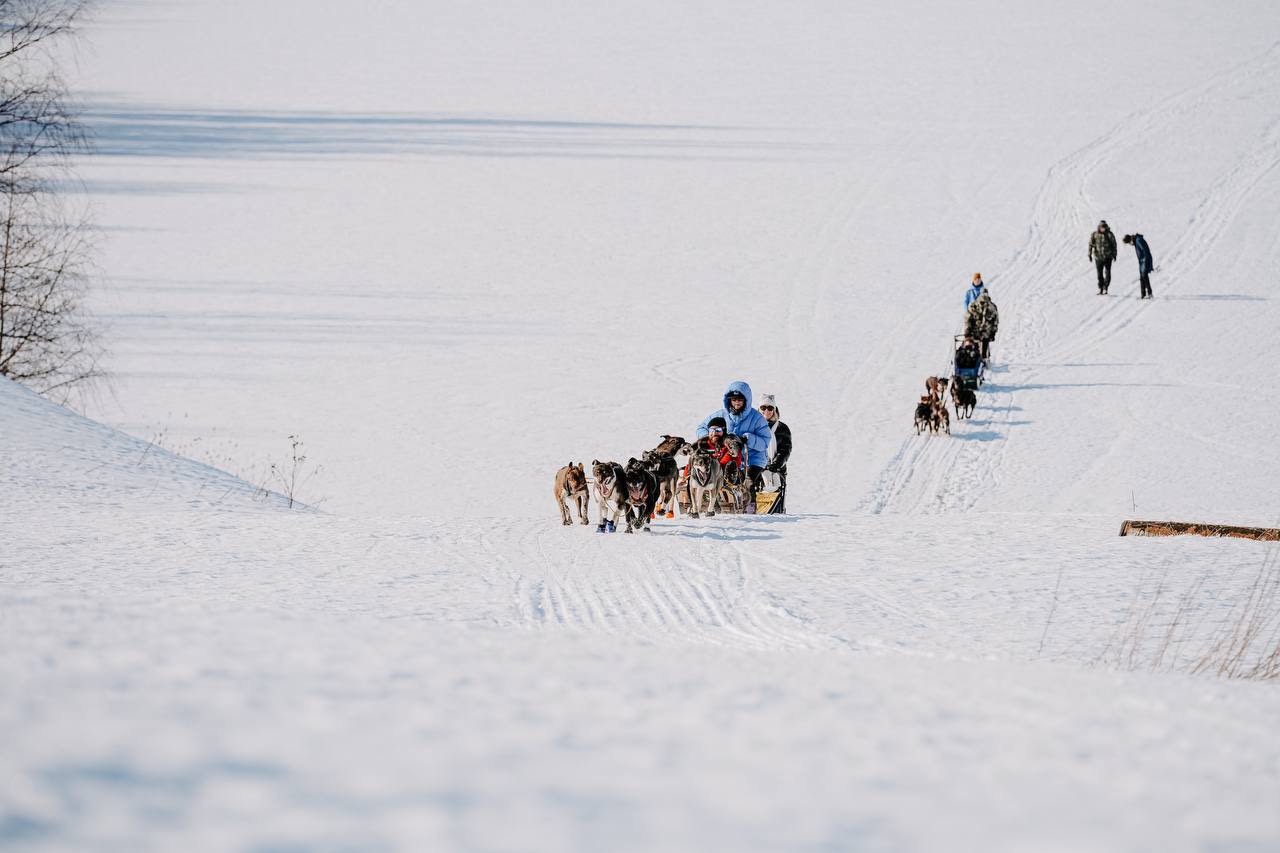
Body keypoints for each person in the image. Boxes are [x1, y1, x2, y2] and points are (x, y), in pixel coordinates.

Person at [696, 381, 773, 499]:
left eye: (740, 400)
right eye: (734, 399)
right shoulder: (721, 415)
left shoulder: (757, 418)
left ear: (746, 401)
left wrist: (749, 439)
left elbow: (765, 440)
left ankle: (750, 508)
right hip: (726, 455)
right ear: (729, 400)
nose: (737, 402)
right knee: (716, 475)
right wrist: (712, 436)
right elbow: (701, 428)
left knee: (748, 482)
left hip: (752, 458)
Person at [758, 394, 791, 514]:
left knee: (776, 481)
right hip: (758, 465)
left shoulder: (782, 428)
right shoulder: (754, 427)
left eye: (770, 408)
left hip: (777, 466)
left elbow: (785, 449)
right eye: (763, 408)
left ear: (775, 410)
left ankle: (775, 511)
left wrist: (776, 465)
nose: (767, 411)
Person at [966, 291, 999, 359]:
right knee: (971, 342)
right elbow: (968, 318)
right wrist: (968, 329)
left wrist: (993, 332)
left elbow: (995, 321)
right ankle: (971, 356)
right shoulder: (973, 305)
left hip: (986, 330)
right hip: (975, 329)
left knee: (985, 340)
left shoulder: (992, 307)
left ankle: (984, 357)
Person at [1088, 220, 1118, 294]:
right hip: (1098, 257)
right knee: (1099, 274)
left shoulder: (1109, 234)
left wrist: (1114, 255)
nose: (1103, 229)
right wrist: (1089, 254)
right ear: (1099, 227)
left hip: (1108, 257)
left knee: (1107, 273)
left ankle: (1105, 287)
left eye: (1104, 227)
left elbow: (1114, 245)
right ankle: (1100, 288)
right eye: (1102, 227)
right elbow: (1090, 244)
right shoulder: (1095, 234)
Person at [1123, 233, 1154, 299]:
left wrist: (1145, 260)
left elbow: (1145, 250)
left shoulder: (1138, 240)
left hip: (1145, 261)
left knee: (1144, 277)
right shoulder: (1136, 241)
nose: (1130, 244)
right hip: (1142, 262)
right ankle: (1143, 294)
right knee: (1142, 278)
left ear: (1130, 240)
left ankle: (1149, 293)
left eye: (1129, 243)